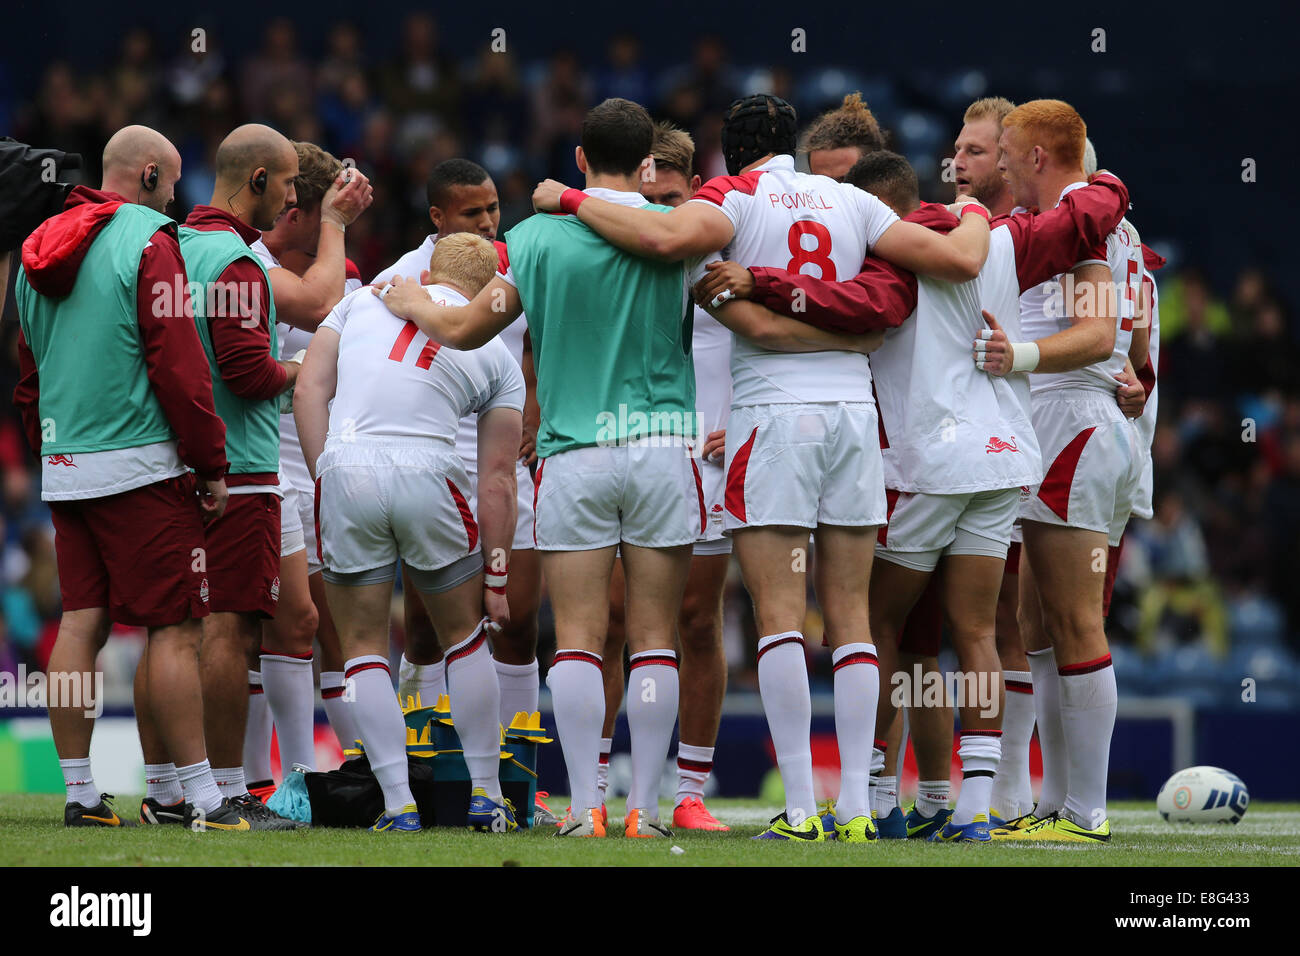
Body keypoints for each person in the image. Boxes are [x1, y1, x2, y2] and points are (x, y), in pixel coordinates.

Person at [379, 98, 877, 838]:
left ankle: (586, 809)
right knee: (654, 638)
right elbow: (747, 317)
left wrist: (414, 300)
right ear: (648, 163)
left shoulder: (537, 238)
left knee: (577, 637)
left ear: (579, 159)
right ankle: (644, 806)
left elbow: (463, 329)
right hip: (662, 453)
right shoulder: (676, 240)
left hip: (575, 458)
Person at [532, 93, 991, 842]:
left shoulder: (734, 196)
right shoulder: (850, 200)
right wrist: (965, 215)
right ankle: (856, 811)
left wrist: (571, 197)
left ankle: (803, 810)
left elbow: (663, 240)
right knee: (851, 620)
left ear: (730, 151)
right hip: (852, 422)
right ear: (798, 146)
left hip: (772, 416)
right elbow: (957, 259)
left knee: (780, 619)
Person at [696, 149, 1131, 841]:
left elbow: (862, 307)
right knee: (979, 632)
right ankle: (971, 808)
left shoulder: (894, 256)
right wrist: (1104, 180)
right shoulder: (1000, 236)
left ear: (876, 214)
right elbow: (1082, 224)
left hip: (929, 461)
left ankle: (869, 795)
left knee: (872, 624)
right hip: (1002, 455)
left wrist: (762, 282)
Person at [12, 125, 251, 830]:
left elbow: (28, 381)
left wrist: (55, 458)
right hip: (142, 465)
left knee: (79, 622)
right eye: (173, 183)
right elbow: (177, 364)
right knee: (176, 628)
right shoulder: (151, 239)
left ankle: (82, 793)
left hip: (65, 467)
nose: (177, 198)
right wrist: (210, 460)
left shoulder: (34, 252)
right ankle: (202, 798)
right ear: (148, 175)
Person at [295, 233, 523, 833]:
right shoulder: (496, 352)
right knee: (464, 639)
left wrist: (326, 471)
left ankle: (397, 804)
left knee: (364, 647)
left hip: (347, 466)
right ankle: (485, 794)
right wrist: (497, 575)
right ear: (487, 289)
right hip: (429, 473)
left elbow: (308, 388)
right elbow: (498, 481)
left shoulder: (359, 301)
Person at [974, 100, 1147, 843]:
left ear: (1039, 156)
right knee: (1036, 624)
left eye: (1006, 151)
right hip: (1063, 428)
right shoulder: (1074, 216)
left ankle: (1087, 812)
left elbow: (1099, 331)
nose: (1000, 163)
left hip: (1075, 426)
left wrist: (1024, 357)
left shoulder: (1087, 218)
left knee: (1075, 620)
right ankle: (1054, 802)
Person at [371, 158, 552, 824]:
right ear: (437, 218)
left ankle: (517, 787)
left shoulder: (516, 263)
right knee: (426, 628)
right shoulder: (398, 279)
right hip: (433, 465)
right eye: (471, 213)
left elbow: (540, 338)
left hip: (504, 463)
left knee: (518, 622)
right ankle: (430, 776)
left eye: (493, 209)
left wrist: (533, 405)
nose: (486, 222)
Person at [159, 123, 305, 828]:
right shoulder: (236, 263)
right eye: (285, 185)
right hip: (239, 469)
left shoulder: (169, 250)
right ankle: (223, 793)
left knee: (174, 630)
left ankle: (170, 789)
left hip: (169, 464)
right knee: (228, 630)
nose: (289, 200)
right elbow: (249, 374)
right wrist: (302, 373)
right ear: (256, 180)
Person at [596, 122, 731, 832]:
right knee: (612, 620)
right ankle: (595, 786)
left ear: (694, 195)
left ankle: (690, 791)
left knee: (695, 622)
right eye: (646, 198)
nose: (657, 217)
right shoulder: (612, 236)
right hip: (614, 441)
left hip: (704, 453)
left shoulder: (716, 245)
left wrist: (740, 424)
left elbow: (763, 343)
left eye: (672, 201)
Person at [242, 140, 371, 793]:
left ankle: (350, 770)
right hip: (255, 464)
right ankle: (268, 780)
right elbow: (314, 314)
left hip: (317, 471)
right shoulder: (253, 260)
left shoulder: (342, 273)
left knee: (319, 626)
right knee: (269, 628)